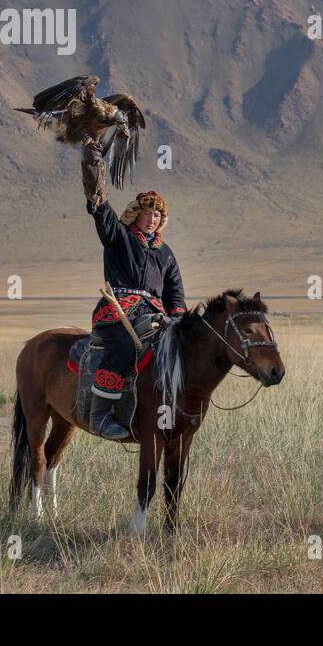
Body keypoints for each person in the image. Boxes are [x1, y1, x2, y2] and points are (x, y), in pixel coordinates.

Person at [79, 137, 186, 439]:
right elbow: (99, 204)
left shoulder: (166, 253)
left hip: (154, 316)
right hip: (117, 312)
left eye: (157, 215)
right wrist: (92, 160)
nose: (152, 219)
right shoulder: (118, 236)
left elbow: (175, 293)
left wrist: (179, 319)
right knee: (125, 346)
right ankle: (100, 415)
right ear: (135, 213)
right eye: (147, 213)